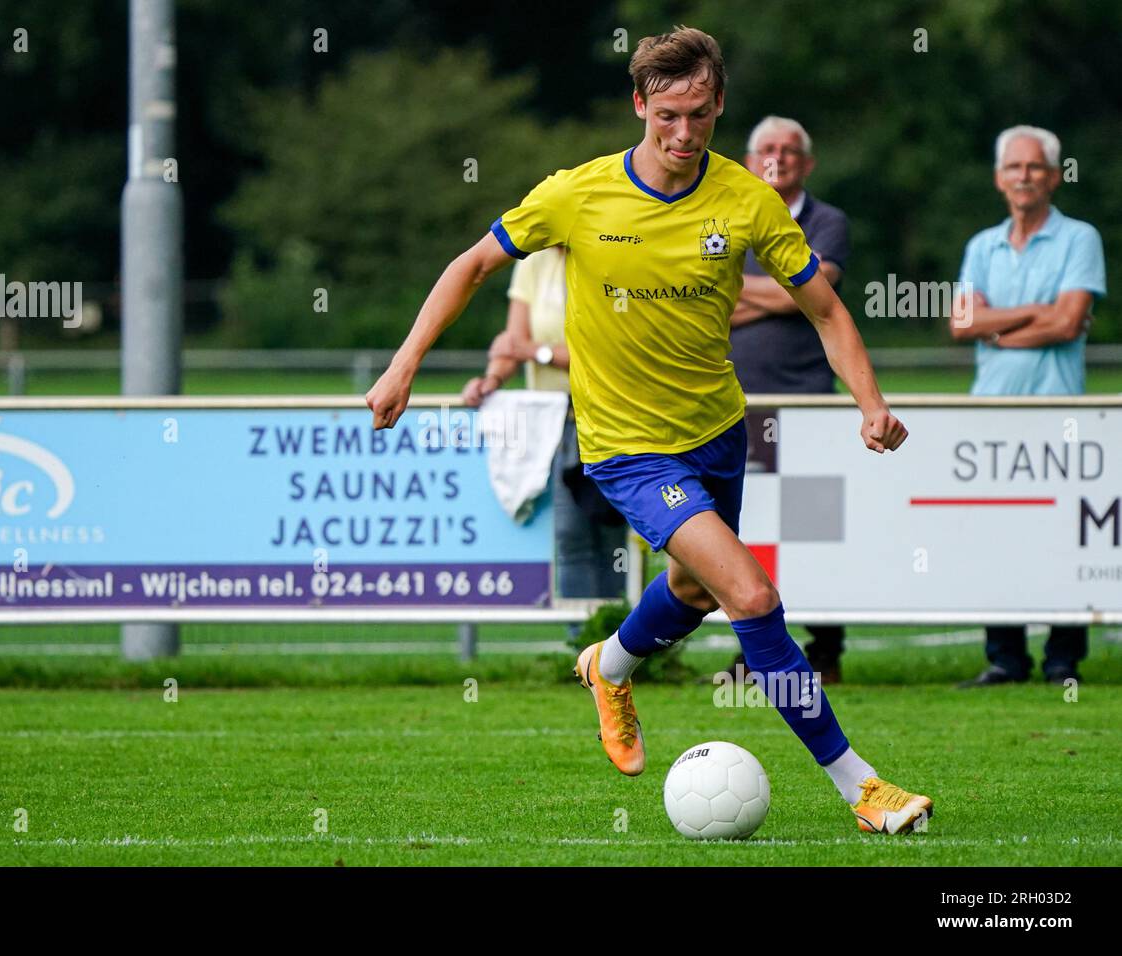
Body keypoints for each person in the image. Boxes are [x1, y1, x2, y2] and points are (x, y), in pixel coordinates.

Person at [367, 26, 931, 834]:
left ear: (719, 104)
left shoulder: (746, 200)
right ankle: (862, 788)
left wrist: (870, 403)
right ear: (639, 105)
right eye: (667, 114)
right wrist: (404, 364)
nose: (683, 133)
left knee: (699, 591)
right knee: (752, 594)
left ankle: (610, 664)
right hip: (627, 448)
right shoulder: (579, 193)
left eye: (699, 114)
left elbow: (826, 309)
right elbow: (471, 266)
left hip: (717, 434)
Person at [949, 125, 1107, 688]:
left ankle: (1063, 661)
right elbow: (961, 323)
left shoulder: (1079, 238)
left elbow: (1069, 323)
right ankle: (1006, 659)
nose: (1024, 176)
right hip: (991, 412)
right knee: (997, 535)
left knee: (1063, 536)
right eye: (1014, 167)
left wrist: (999, 325)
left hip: (1058, 413)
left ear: (1054, 176)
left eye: (1035, 167)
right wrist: (1037, 313)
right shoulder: (981, 245)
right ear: (999, 178)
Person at [726, 115, 850, 682]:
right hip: (734, 403)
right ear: (751, 160)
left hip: (808, 403)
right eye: (767, 149)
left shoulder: (828, 221)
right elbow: (779, 295)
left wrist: (739, 291)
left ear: (808, 161)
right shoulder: (727, 213)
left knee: (814, 527)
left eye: (789, 149)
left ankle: (826, 650)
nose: (778, 157)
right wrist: (782, 293)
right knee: (745, 528)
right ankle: (757, 649)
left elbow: (811, 295)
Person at [461, 246, 626, 607]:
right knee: (570, 534)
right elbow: (510, 344)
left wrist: (537, 352)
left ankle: (621, 641)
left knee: (613, 531)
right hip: (554, 417)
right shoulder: (534, 262)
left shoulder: (613, 253)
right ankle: (583, 644)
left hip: (609, 413)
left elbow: (605, 355)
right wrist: (491, 379)